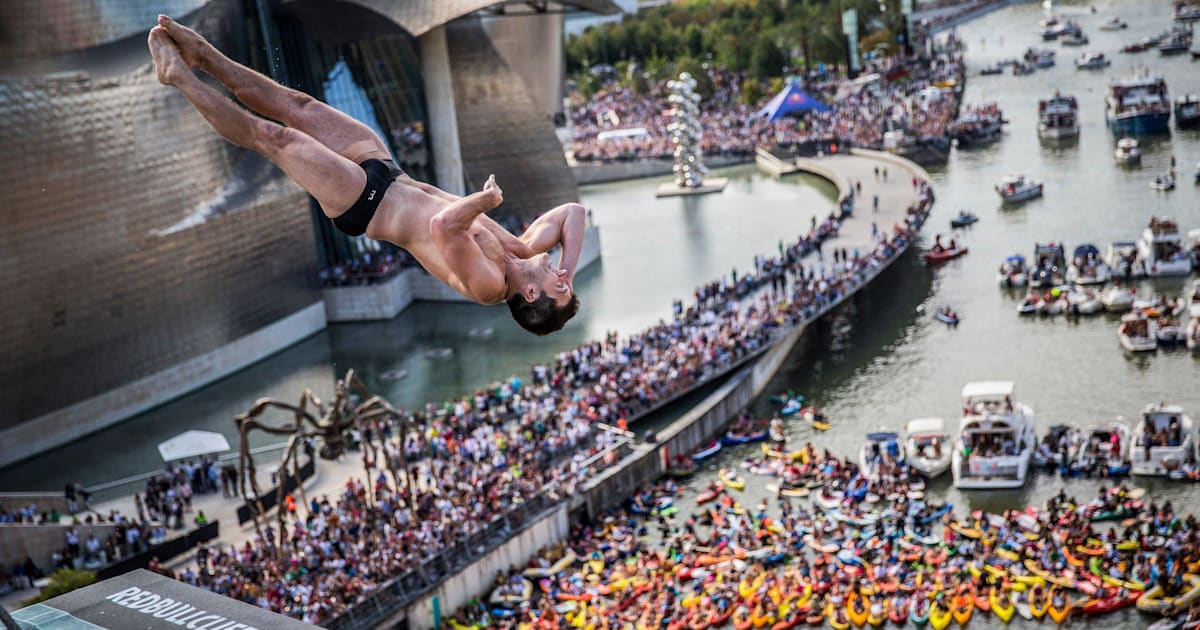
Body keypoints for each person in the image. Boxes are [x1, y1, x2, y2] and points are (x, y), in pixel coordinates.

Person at [149, 17, 583, 335]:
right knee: (295, 104)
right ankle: (202, 54)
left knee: (274, 137)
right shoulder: (523, 249)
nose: (561, 279)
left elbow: (443, 225)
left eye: (558, 288)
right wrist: (567, 267)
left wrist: (483, 203)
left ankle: (180, 77)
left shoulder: (489, 284)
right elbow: (572, 212)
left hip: (364, 204)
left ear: (530, 296)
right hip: (388, 173)